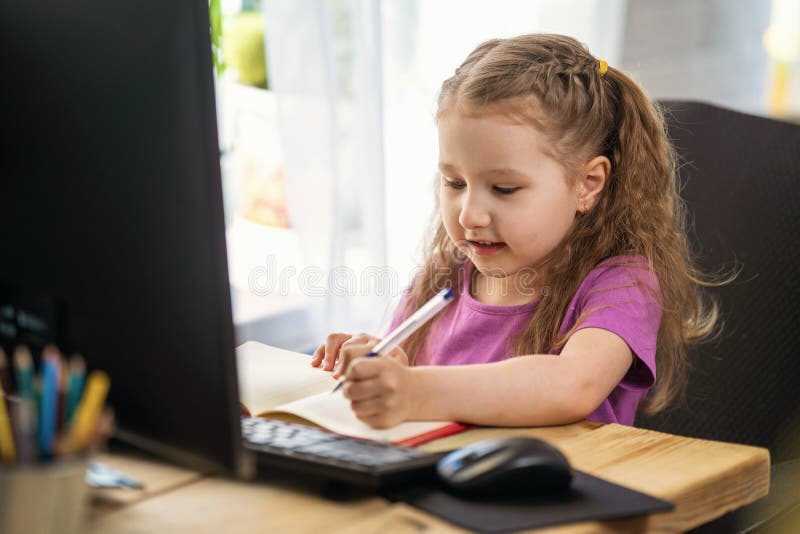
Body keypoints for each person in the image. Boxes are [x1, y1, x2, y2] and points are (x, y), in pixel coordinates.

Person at [310, 34, 721, 429]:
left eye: (504, 189)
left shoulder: (621, 285)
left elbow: (571, 385)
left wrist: (415, 390)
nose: (470, 214)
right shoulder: (441, 277)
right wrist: (378, 367)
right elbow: (405, 382)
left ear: (587, 184)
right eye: (454, 183)